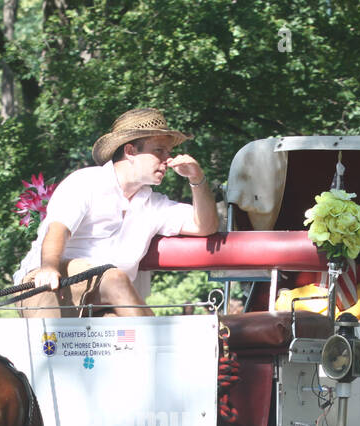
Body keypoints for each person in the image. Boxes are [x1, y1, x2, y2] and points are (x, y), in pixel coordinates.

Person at [14, 108, 218, 318]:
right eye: (159, 150)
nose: (168, 159)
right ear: (130, 151)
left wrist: (197, 179)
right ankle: (162, 347)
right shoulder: (85, 182)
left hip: (101, 303)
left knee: (125, 337)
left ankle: (159, 347)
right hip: (48, 287)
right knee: (114, 279)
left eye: (168, 152)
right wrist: (48, 267)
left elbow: (205, 226)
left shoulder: (155, 205)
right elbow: (58, 229)